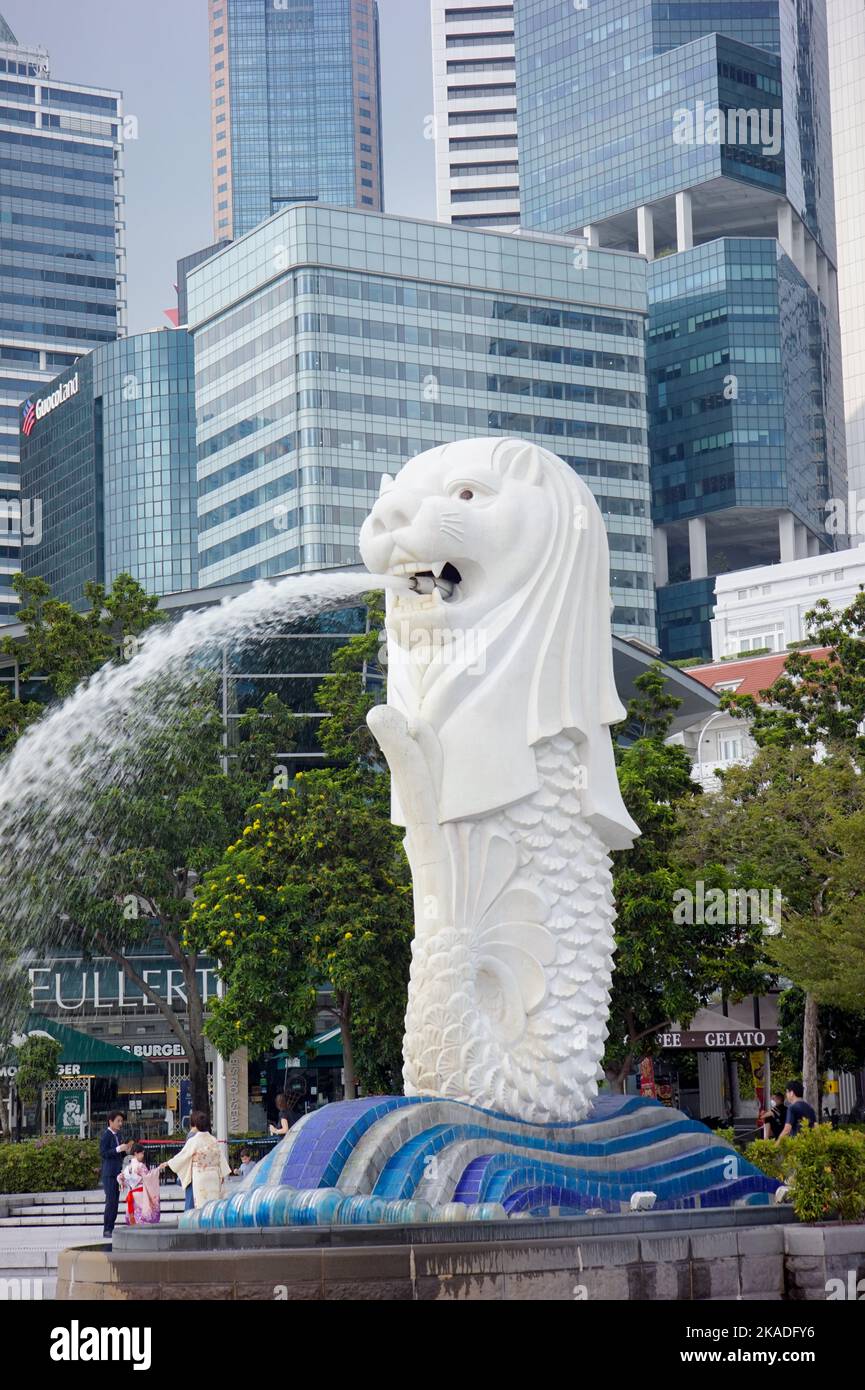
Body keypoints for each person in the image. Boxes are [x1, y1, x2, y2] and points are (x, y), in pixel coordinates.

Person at [160, 1110, 230, 1208]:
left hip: (200, 1174)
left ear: (195, 1125)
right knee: (213, 1204)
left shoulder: (194, 1141)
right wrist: (221, 1174)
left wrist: (168, 1163)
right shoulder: (214, 1140)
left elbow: (183, 1156)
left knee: (201, 1204)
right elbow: (220, 1159)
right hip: (214, 1175)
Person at [99, 1110, 131, 1240]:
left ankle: (111, 1227)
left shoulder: (117, 1135)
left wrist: (125, 1150)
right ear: (110, 1121)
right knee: (111, 1202)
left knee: (115, 1202)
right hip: (109, 1173)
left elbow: (118, 1154)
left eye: (121, 1121)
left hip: (116, 1173)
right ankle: (107, 1229)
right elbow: (104, 1153)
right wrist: (118, 1149)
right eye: (118, 1121)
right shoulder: (106, 1135)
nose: (120, 1123)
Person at [118, 1144, 161, 1226]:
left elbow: (121, 1177)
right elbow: (148, 1177)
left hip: (132, 1192)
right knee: (142, 1214)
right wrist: (158, 1169)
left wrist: (122, 1181)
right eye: (141, 1153)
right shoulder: (140, 1166)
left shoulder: (128, 1167)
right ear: (135, 1153)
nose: (143, 1155)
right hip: (141, 1193)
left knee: (135, 1213)